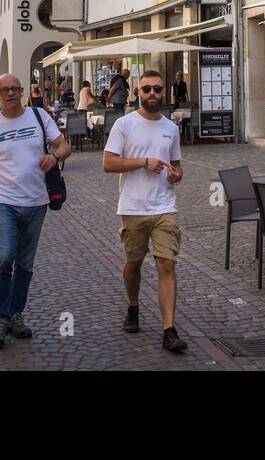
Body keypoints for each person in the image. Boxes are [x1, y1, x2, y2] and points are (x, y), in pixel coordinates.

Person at [0, 73, 71, 351]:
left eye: (15, 89)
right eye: (5, 90)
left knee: (24, 264)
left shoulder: (39, 116)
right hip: (3, 201)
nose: (10, 93)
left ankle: (15, 313)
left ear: (22, 91)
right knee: (3, 258)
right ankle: (0, 318)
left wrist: (56, 156)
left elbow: (64, 145)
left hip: (37, 202)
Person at [102, 70, 187, 354]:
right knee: (133, 265)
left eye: (158, 89)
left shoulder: (171, 128)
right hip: (133, 207)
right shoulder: (124, 125)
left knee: (167, 265)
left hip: (165, 206)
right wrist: (143, 163)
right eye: (147, 89)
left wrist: (176, 175)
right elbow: (108, 164)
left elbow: (177, 165)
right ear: (138, 92)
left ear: (165, 93)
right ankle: (133, 306)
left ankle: (169, 329)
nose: (153, 94)